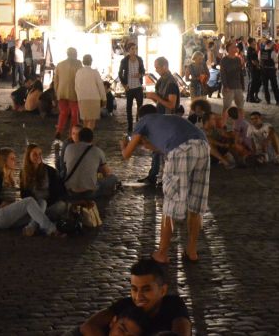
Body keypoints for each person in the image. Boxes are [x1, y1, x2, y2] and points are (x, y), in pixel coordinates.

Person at [122, 112, 211, 263]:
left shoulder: (143, 120)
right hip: (203, 145)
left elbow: (126, 154)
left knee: (171, 204)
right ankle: (192, 251)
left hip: (181, 149)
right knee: (196, 203)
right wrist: (147, 145)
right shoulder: (164, 120)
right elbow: (162, 146)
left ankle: (162, 253)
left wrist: (123, 144)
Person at [77, 257, 192, 336]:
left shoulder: (174, 306)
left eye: (146, 289)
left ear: (163, 290)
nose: (138, 296)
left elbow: (181, 333)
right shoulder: (125, 305)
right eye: (134, 289)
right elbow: (89, 326)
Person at [0, 147, 58, 235]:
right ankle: (51, 229)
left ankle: (30, 228)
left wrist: (12, 205)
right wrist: (4, 203)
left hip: (9, 217)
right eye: (12, 158)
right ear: (4, 160)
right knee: (29, 201)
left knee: (42, 202)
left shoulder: (10, 178)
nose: (15, 161)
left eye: (15, 158)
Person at [63, 126, 120, 200]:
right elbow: (106, 173)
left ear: (79, 137)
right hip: (89, 193)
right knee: (113, 178)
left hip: (70, 191)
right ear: (92, 139)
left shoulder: (69, 148)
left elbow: (67, 166)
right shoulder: (97, 151)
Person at [54, 47, 83, 139]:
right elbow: (80, 78)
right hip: (73, 92)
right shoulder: (78, 64)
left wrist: (57, 91)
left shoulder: (60, 64)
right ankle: (73, 134)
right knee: (74, 113)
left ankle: (59, 130)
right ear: (74, 54)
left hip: (61, 92)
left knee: (63, 112)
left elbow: (56, 80)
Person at [118, 44, 147, 134]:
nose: (134, 50)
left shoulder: (140, 59)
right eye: (132, 49)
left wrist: (140, 74)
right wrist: (124, 85)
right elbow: (120, 73)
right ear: (128, 50)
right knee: (129, 107)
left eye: (135, 49)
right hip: (129, 88)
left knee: (140, 107)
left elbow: (143, 71)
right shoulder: (124, 60)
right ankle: (130, 126)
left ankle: (139, 124)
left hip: (138, 87)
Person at [75, 54, 106, 130]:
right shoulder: (95, 72)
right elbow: (100, 86)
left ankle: (85, 136)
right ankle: (89, 135)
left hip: (83, 99)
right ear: (91, 61)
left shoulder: (79, 72)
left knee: (85, 121)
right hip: (94, 99)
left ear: (83, 61)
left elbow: (76, 87)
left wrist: (79, 98)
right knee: (92, 122)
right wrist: (104, 98)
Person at [218, 42, 246, 115]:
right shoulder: (224, 60)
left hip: (238, 86)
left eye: (235, 47)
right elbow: (223, 74)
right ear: (229, 49)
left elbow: (240, 73)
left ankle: (241, 119)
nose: (236, 48)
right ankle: (224, 120)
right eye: (233, 47)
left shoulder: (238, 59)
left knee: (240, 106)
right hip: (229, 86)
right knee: (227, 107)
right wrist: (225, 86)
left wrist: (242, 85)